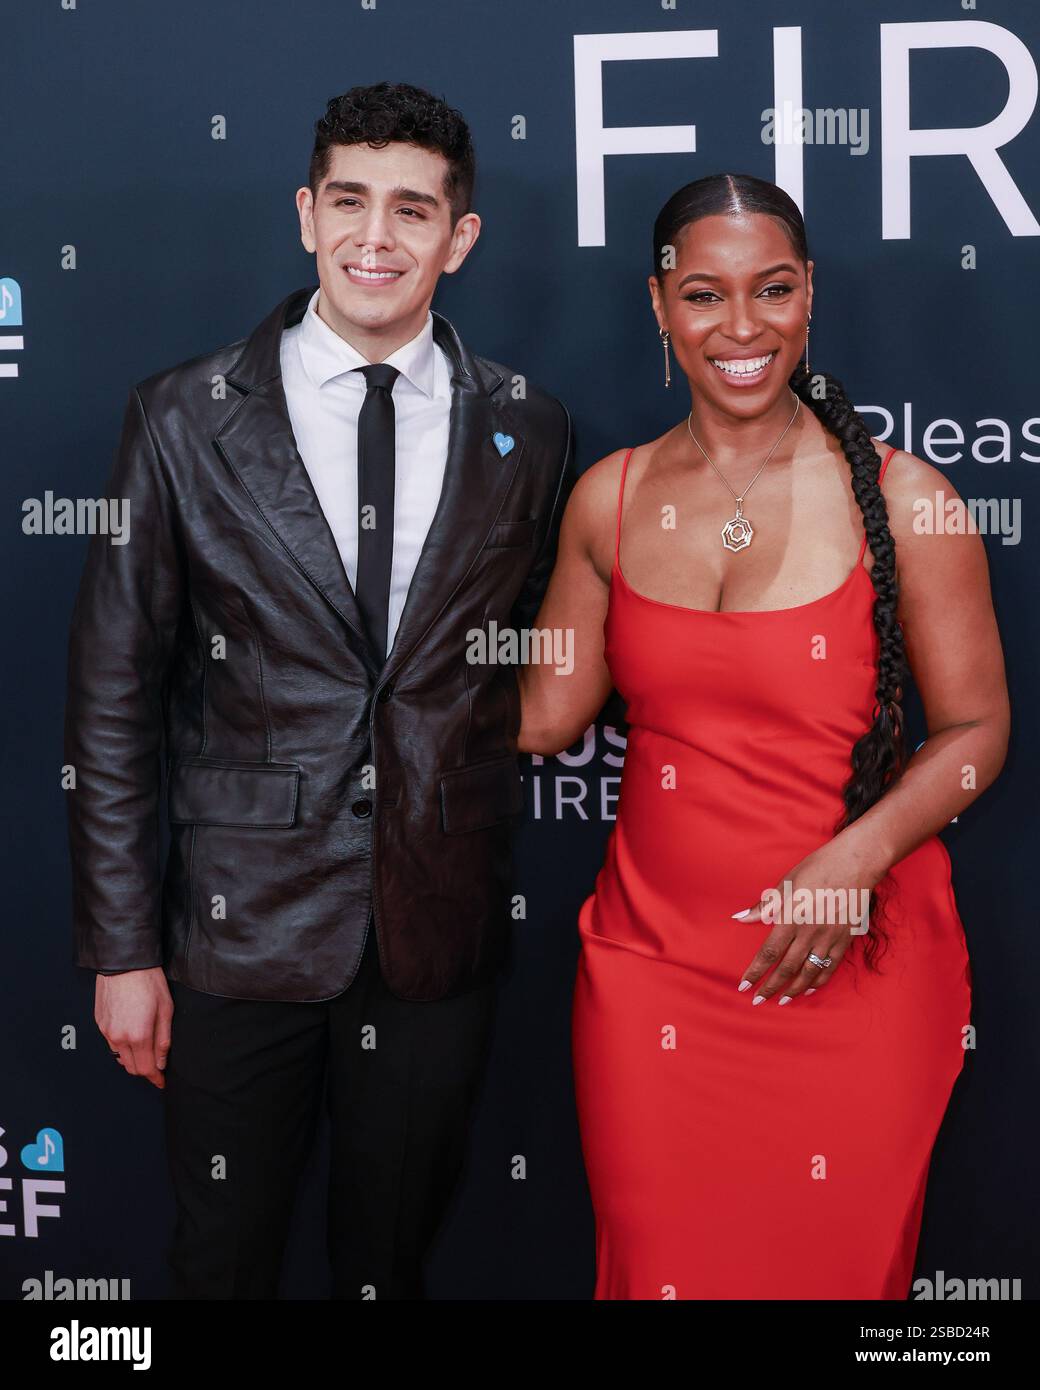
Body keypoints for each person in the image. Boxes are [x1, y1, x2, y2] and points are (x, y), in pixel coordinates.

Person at [64, 81, 574, 1299]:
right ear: (305, 214)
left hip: (434, 927)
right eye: (348, 201)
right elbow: (113, 698)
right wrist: (123, 948)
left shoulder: (531, 429)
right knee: (222, 1262)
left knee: (388, 1264)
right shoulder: (182, 416)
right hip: (239, 934)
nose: (374, 239)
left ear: (460, 238)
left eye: (412, 210)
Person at [518, 173, 1009, 1299]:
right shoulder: (610, 496)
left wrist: (852, 860)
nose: (740, 328)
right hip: (651, 978)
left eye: (770, 290)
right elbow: (542, 718)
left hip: (855, 970)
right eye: (703, 294)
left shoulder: (908, 501)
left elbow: (979, 732)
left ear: (808, 296)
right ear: (657, 307)